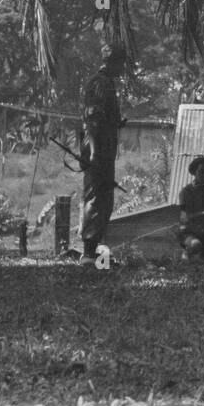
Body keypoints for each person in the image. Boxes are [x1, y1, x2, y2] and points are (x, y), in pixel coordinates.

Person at [79, 43, 126, 266]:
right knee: (96, 198)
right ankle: (88, 253)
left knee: (104, 198)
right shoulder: (100, 84)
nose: (123, 68)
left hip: (104, 153)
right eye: (122, 63)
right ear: (113, 62)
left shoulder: (107, 84)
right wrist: (95, 154)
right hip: (98, 154)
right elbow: (93, 120)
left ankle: (96, 252)